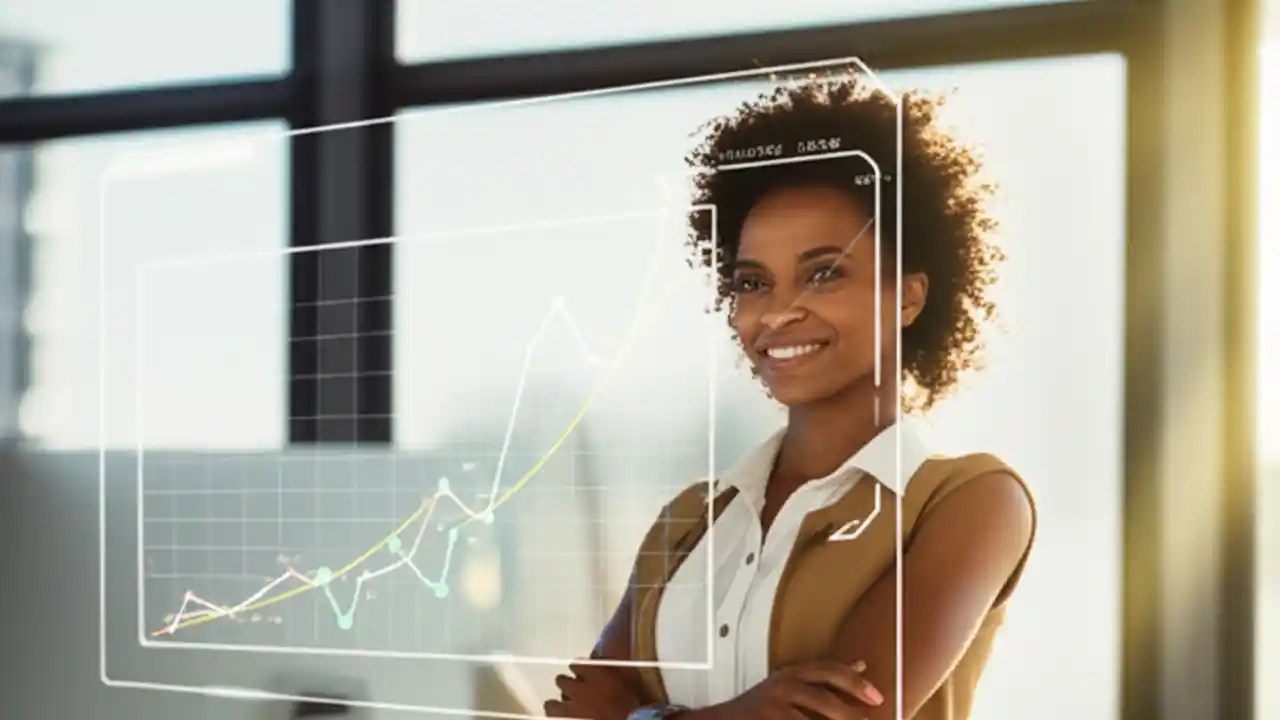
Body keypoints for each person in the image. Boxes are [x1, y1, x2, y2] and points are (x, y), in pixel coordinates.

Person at [544, 70, 1036, 720]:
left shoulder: (969, 503)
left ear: (909, 297)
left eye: (823, 274)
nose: (778, 313)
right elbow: (579, 708)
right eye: (753, 283)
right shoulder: (689, 522)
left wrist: (645, 717)